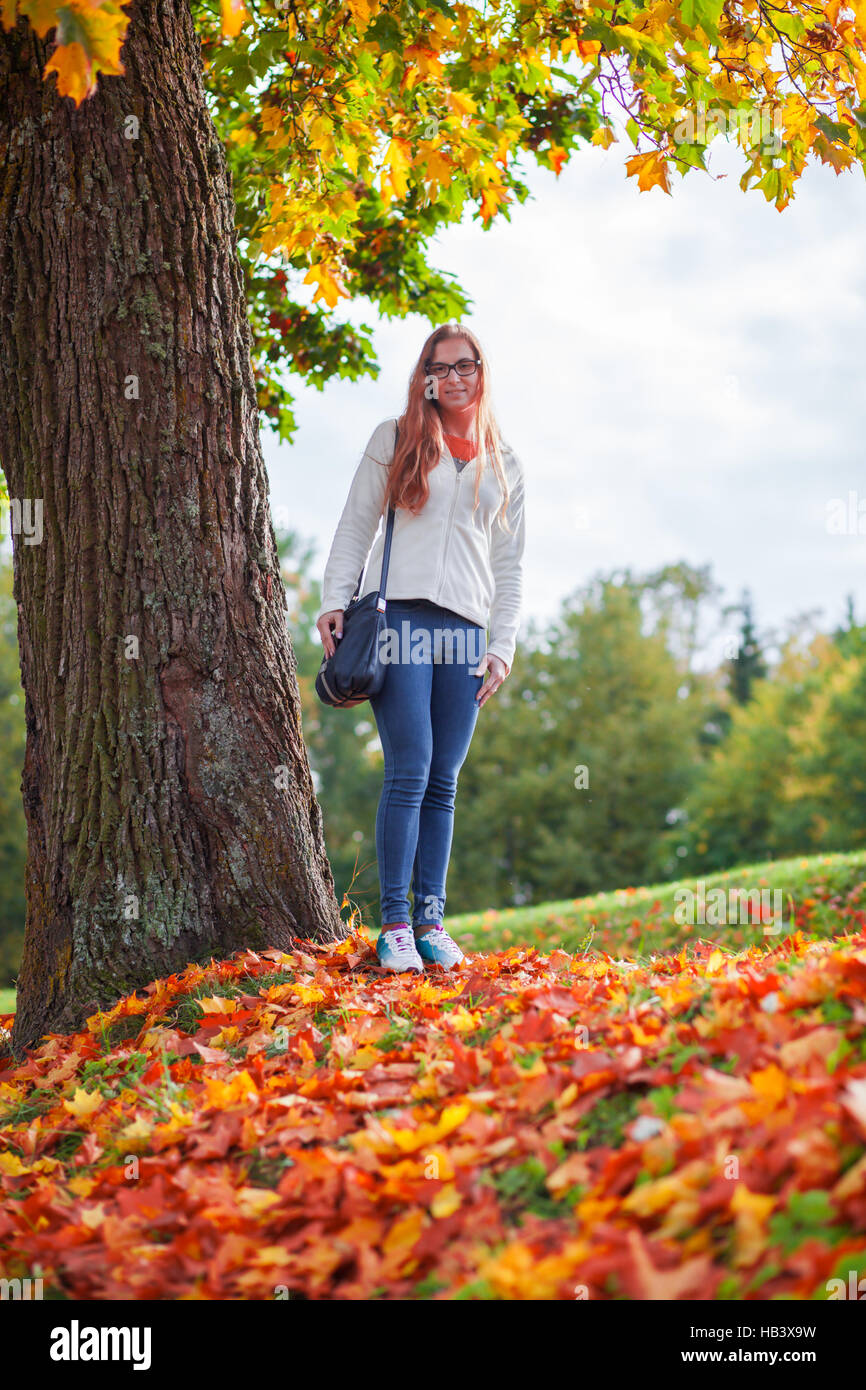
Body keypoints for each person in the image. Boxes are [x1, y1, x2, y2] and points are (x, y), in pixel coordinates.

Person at [315, 323, 526, 973]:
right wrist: (332, 598)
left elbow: (511, 565)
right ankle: (396, 925)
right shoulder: (396, 437)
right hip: (399, 620)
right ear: (426, 377)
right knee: (410, 770)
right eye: (443, 367)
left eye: (469, 365)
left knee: (444, 781)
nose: (457, 377)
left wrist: (503, 645)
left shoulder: (504, 461)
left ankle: (433, 922)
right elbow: (356, 522)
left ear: (482, 372)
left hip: (464, 631)